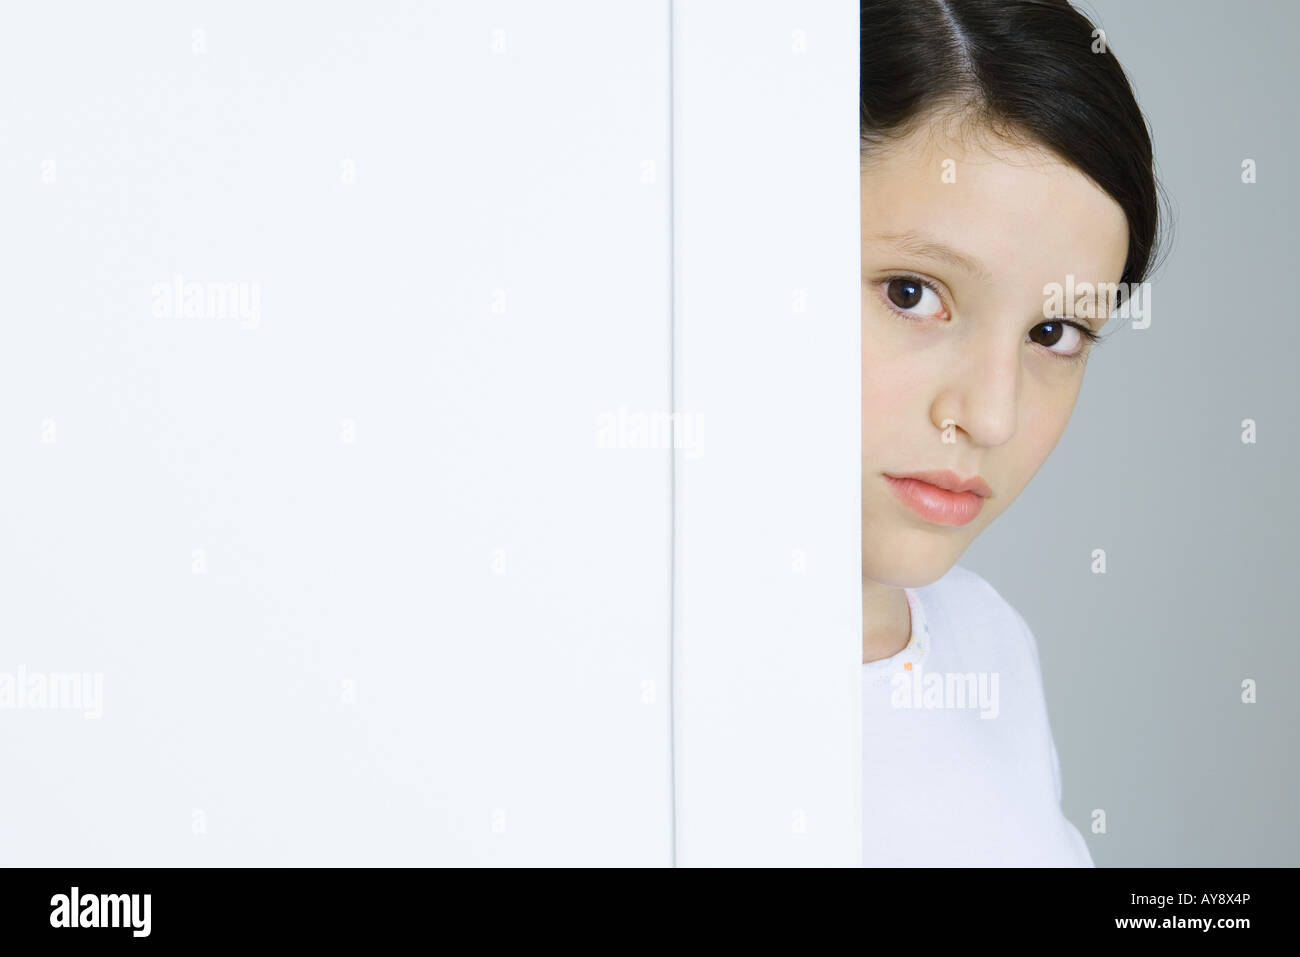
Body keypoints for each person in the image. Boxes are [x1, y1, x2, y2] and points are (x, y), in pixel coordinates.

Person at [859, 0, 1164, 865]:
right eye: (914, 293)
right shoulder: (603, 677)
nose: (990, 416)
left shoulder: (987, 643)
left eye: (1053, 334)